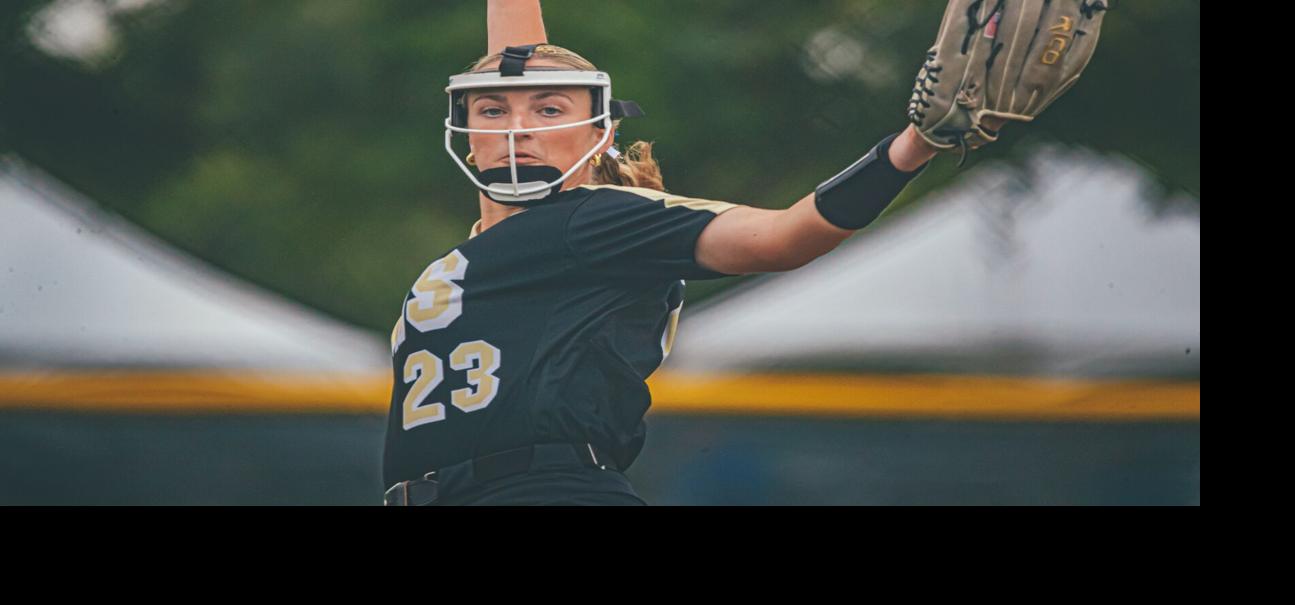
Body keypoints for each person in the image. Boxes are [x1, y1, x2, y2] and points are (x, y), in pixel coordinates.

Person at [383, 1, 942, 505]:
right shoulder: (498, 240)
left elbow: (784, 236)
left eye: (550, 112)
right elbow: (516, 62)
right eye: (492, 111)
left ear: (600, 133)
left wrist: (915, 144)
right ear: (467, 129)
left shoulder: (595, 219)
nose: (517, 129)